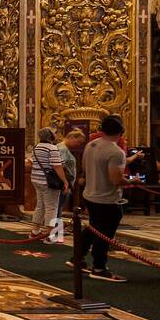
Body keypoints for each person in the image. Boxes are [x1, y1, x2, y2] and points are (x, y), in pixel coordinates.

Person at [73, 114, 129, 282]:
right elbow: (115, 180)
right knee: (104, 234)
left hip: (90, 194)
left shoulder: (91, 145)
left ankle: (77, 257)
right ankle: (99, 267)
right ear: (121, 132)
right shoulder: (115, 151)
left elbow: (85, 169)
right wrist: (130, 180)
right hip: (107, 198)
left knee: (93, 228)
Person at [26, 127, 68, 241]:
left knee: (40, 206)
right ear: (51, 136)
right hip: (48, 182)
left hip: (36, 180)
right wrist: (65, 181)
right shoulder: (52, 148)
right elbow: (58, 166)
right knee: (51, 207)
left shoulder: (36, 147)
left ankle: (35, 231)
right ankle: (49, 235)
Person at [53, 130, 86, 243]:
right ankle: (55, 234)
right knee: (58, 209)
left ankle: (55, 232)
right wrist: (65, 183)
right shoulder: (63, 149)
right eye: (78, 141)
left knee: (57, 208)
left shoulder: (62, 147)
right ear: (71, 137)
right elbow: (60, 167)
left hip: (64, 183)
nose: (79, 145)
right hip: (63, 184)